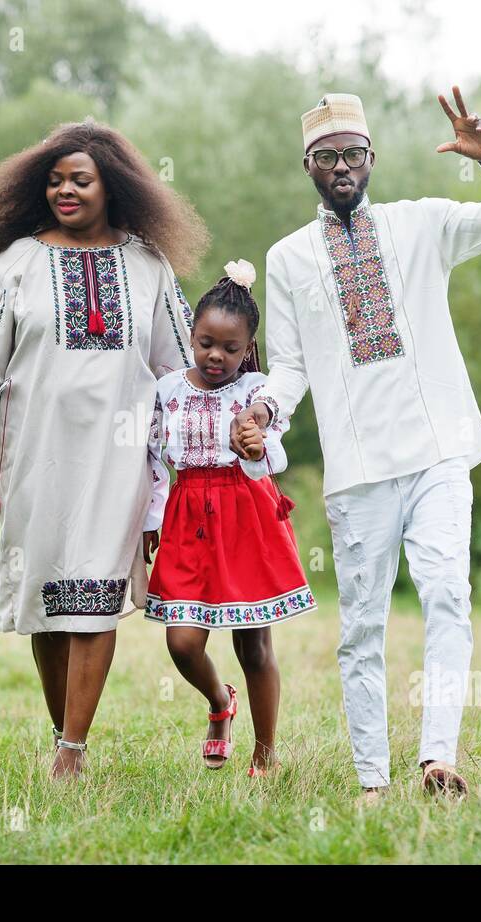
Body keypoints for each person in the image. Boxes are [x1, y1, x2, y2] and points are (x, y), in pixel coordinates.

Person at [234, 88, 481, 800]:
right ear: (309, 165)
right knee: (361, 627)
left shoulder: (422, 224)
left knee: (446, 594)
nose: (342, 166)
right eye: (326, 156)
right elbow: (290, 366)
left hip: (438, 451)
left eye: (353, 154)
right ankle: (372, 780)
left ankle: (438, 758)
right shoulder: (289, 257)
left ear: (372, 158)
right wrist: (264, 408)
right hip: (358, 467)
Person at [0, 120, 206, 778]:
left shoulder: (148, 264)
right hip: (35, 454)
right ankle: (64, 727)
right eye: (56, 180)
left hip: (119, 457)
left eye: (80, 180)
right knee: (48, 603)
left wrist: (206, 450)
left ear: (110, 186)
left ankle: (71, 750)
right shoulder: (17, 264)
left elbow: (181, 367)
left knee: (93, 594)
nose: (65, 190)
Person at [142, 260, 315, 777]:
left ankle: (265, 750)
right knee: (183, 641)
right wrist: (152, 516)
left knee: (254, 644)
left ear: (248, 348)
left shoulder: (257, 393)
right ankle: (220, 702)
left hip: (246, 513)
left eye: (231, 348)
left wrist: (256, 448)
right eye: (206, 343)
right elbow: (153, 456)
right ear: (192, 337)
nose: (216, 356)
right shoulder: (168, 389)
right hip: (186, 513)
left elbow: (272, 462)